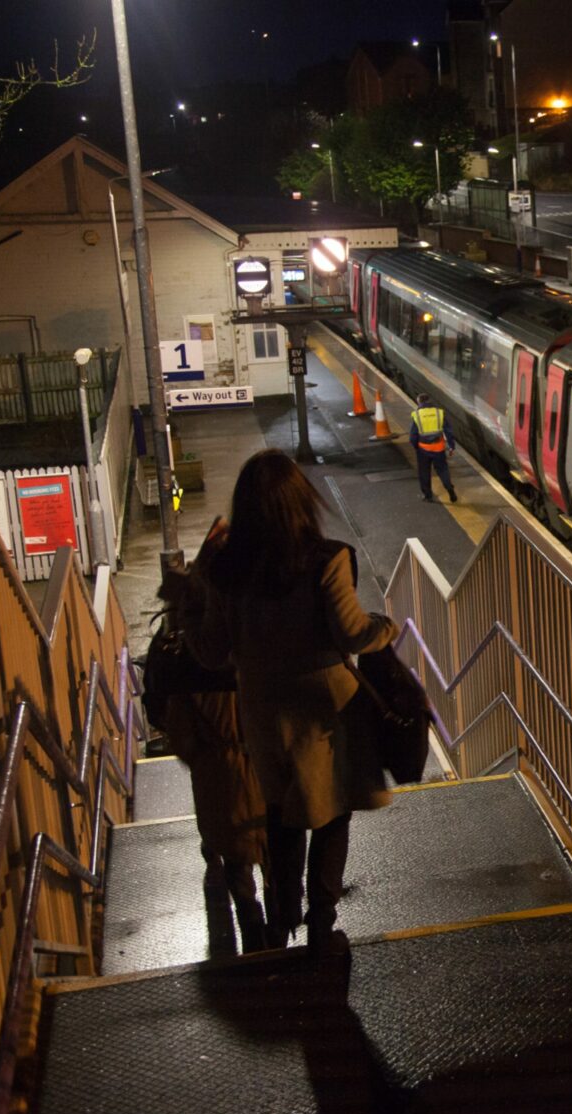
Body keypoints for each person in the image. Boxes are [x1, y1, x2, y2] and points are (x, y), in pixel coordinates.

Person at [191, 450, 397, 958]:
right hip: (324, 710)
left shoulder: (226, 572)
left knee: (282, 815)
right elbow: (351, 634)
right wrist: (386, 627)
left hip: (263, 711)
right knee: (332, 814)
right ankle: (322, 925)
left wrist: (199, 579)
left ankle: (282, 922)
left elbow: (212, 651)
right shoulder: (328, 559)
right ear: (300, 502)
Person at [149, 535, 270, 953]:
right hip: (267, 765)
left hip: (218, 773)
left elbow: (181, 734)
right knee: (274, 845)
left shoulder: (189, 658)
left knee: (233, 856)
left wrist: (205, 755)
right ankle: (281, 923)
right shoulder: (258, 640)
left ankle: (251, 925)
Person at [410, 392, 458, 503]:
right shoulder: (439, 413)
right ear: (429, 401)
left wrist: (416, 446)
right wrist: (451, 446)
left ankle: (428, 496)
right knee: (443, 470)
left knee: (424, 472)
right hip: (439, 448)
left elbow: (413, 435)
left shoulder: (416, 415)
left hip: (423, 449)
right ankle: (449, 488)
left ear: (419, 402)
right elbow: (448, 432)